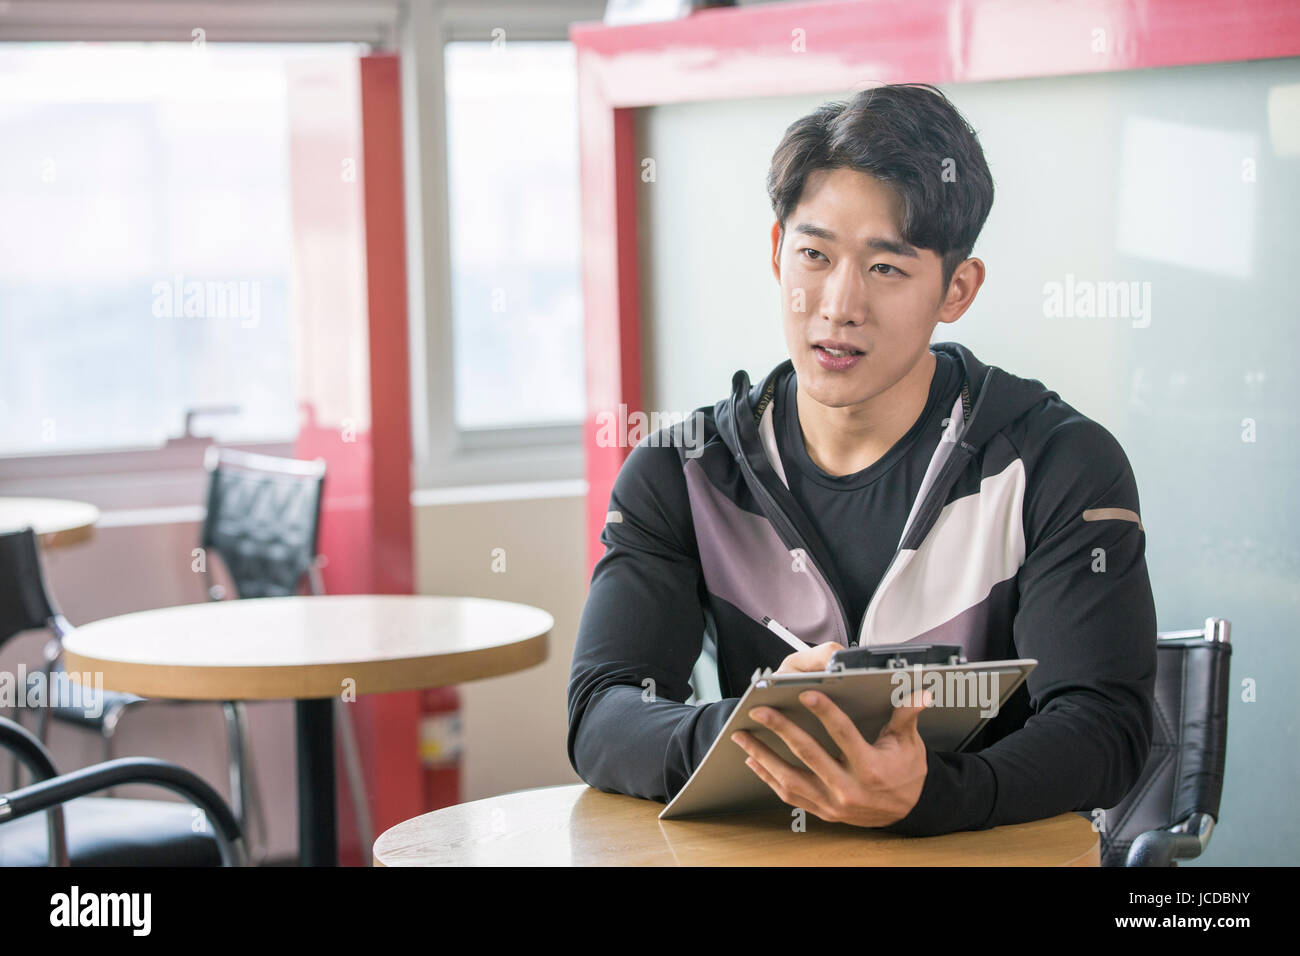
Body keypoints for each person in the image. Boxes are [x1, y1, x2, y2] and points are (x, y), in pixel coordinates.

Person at [566, 83, 1156, 836]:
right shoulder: (680, 472)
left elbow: (1105, 729)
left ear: (958, 289)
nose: (838, 304)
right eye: (814, 254)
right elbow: (604, 714)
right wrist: (759, 728)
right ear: (779, 252)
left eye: (886, 268)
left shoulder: (1058, 465)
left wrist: (932, 795)